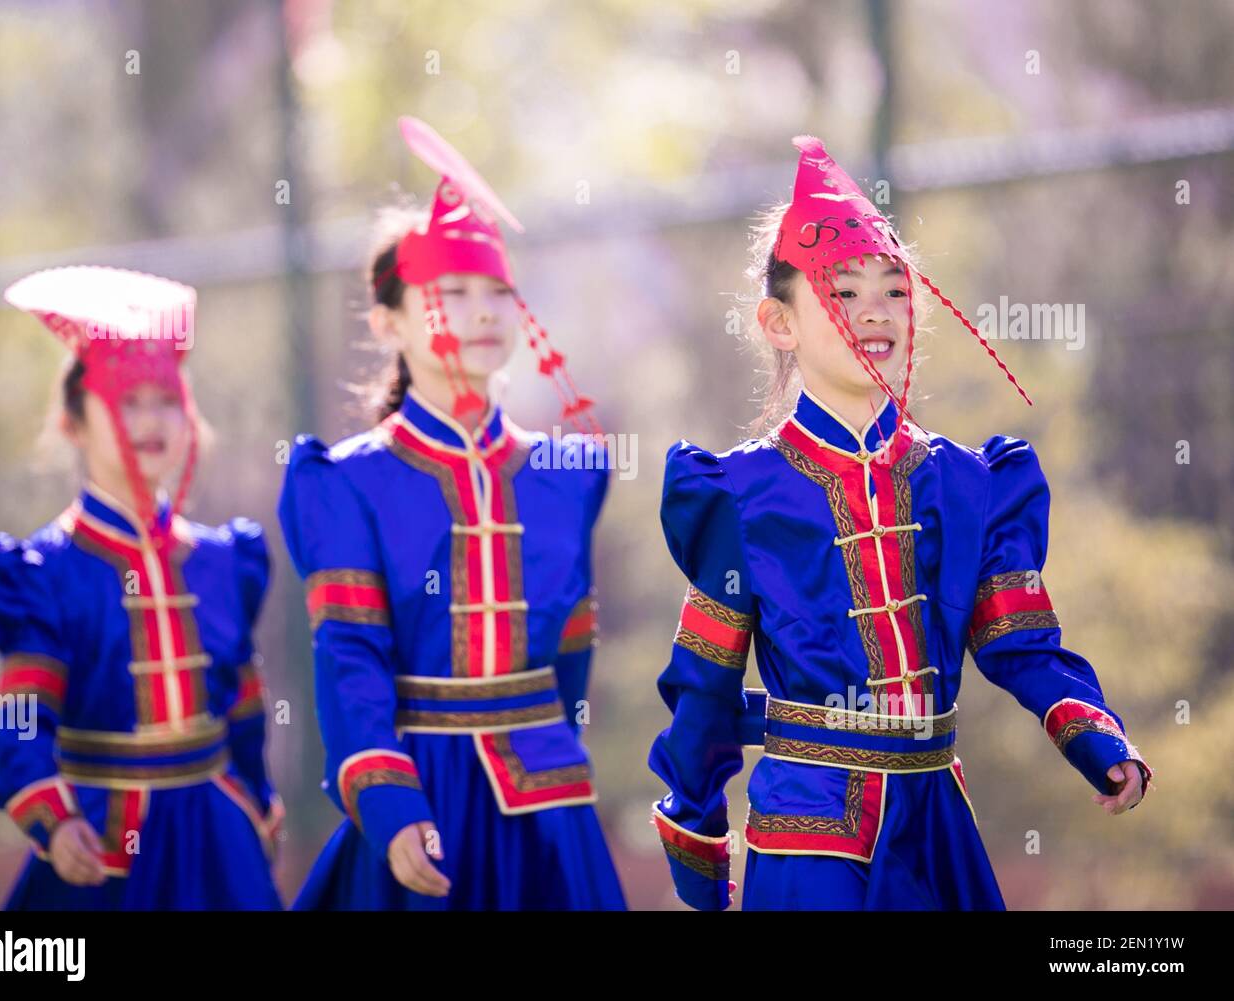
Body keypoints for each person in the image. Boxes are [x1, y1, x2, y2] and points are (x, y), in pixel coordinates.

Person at [647, 136, 1153, 911]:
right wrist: (698, 833)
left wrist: (1093, 733)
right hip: (808, 832)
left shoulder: (965, 480)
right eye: (843, 294)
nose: (876, 312)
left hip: (937, 820)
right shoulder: (740, 492)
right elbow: (707, 687)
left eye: (894, 290)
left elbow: (1019, 639)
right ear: (779, 323)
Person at [281, 117, 626, 910]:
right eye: (451, 294)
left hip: (550, 810)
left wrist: (560, 753)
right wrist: (388, 803)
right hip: (419, 790)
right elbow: (349, 658)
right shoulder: (349, 482)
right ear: (389, 323)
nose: (481, 312)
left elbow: (572, 659)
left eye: (498, 292)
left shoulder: (564, 474)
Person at [0, 266, 283, 909]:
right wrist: (53, 820)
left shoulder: (222, 560)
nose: (150, 419)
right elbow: (22, 717)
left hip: (217, 837)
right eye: (126, 401)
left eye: (166, 399)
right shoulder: (45, 574)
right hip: (101, 844)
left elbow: (244, 706)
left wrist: (257, 800)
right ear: (73, 422)